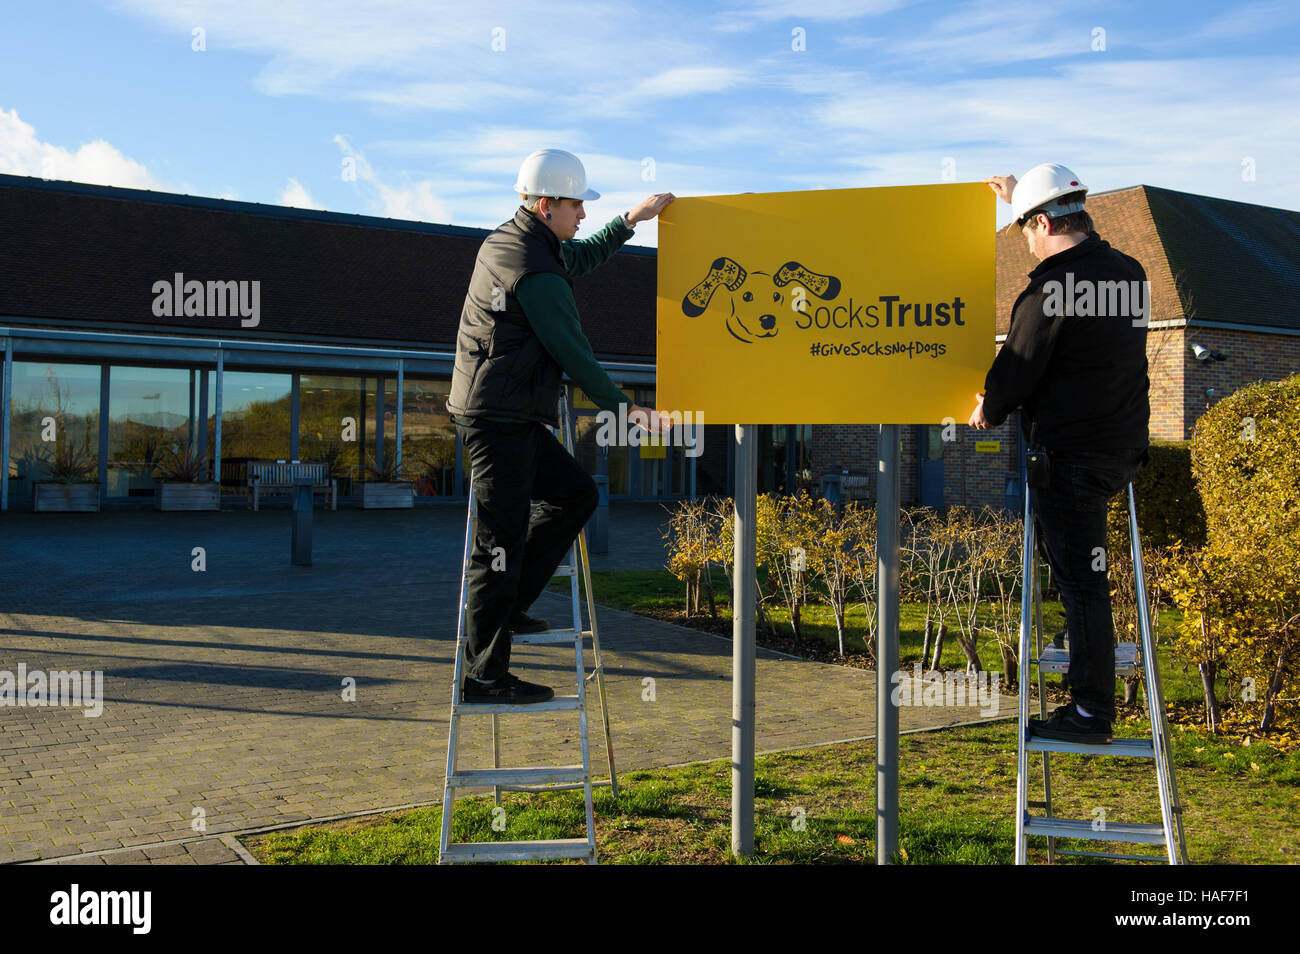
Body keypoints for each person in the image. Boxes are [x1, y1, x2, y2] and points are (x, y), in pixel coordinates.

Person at [447, 147, 675, 704]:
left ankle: (515, 603)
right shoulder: (531, 265)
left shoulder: (526, 241)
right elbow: (574, 353)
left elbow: (577, 259)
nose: (583, 215)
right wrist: (627, 410)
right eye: (577, 205)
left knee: (574, 495)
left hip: (510, 413)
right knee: (495, 544)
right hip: (496, 417)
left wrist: (629, 222)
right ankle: (483, 677)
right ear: (546, 204)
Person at [969, 163, 1150, 744]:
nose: (1025, 245)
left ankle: (1091, 712)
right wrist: (1016, 199)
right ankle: (1092, 703)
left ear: (1044, 222)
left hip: (1068, 456)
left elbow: (1016, 370)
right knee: (1085, 576)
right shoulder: (1128, 273)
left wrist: (989, 410)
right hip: (1118, 450)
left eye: (1026, 230)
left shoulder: (1050, 289)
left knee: (1081, 585)